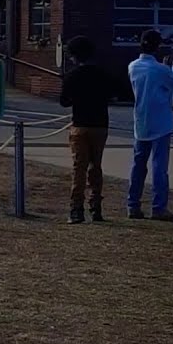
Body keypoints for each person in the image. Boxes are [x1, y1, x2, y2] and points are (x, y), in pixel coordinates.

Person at [125, 29, 173, 221]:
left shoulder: (133, 66)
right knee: (159, 166)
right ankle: (158, 207)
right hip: (161, 122)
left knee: (138, 164)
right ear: (158, 47)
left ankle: (133, 204)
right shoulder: (161, 70)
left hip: (140, 121)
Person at [59, 36, 114, 224]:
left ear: (75, 56)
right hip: (100, 124)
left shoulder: (72, 76)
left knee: (79, 168)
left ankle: (76, 208)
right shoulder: (103, 73)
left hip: (80, 124)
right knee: (95, 166)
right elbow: (115, 93)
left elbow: (64, 101)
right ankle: (96, 206)